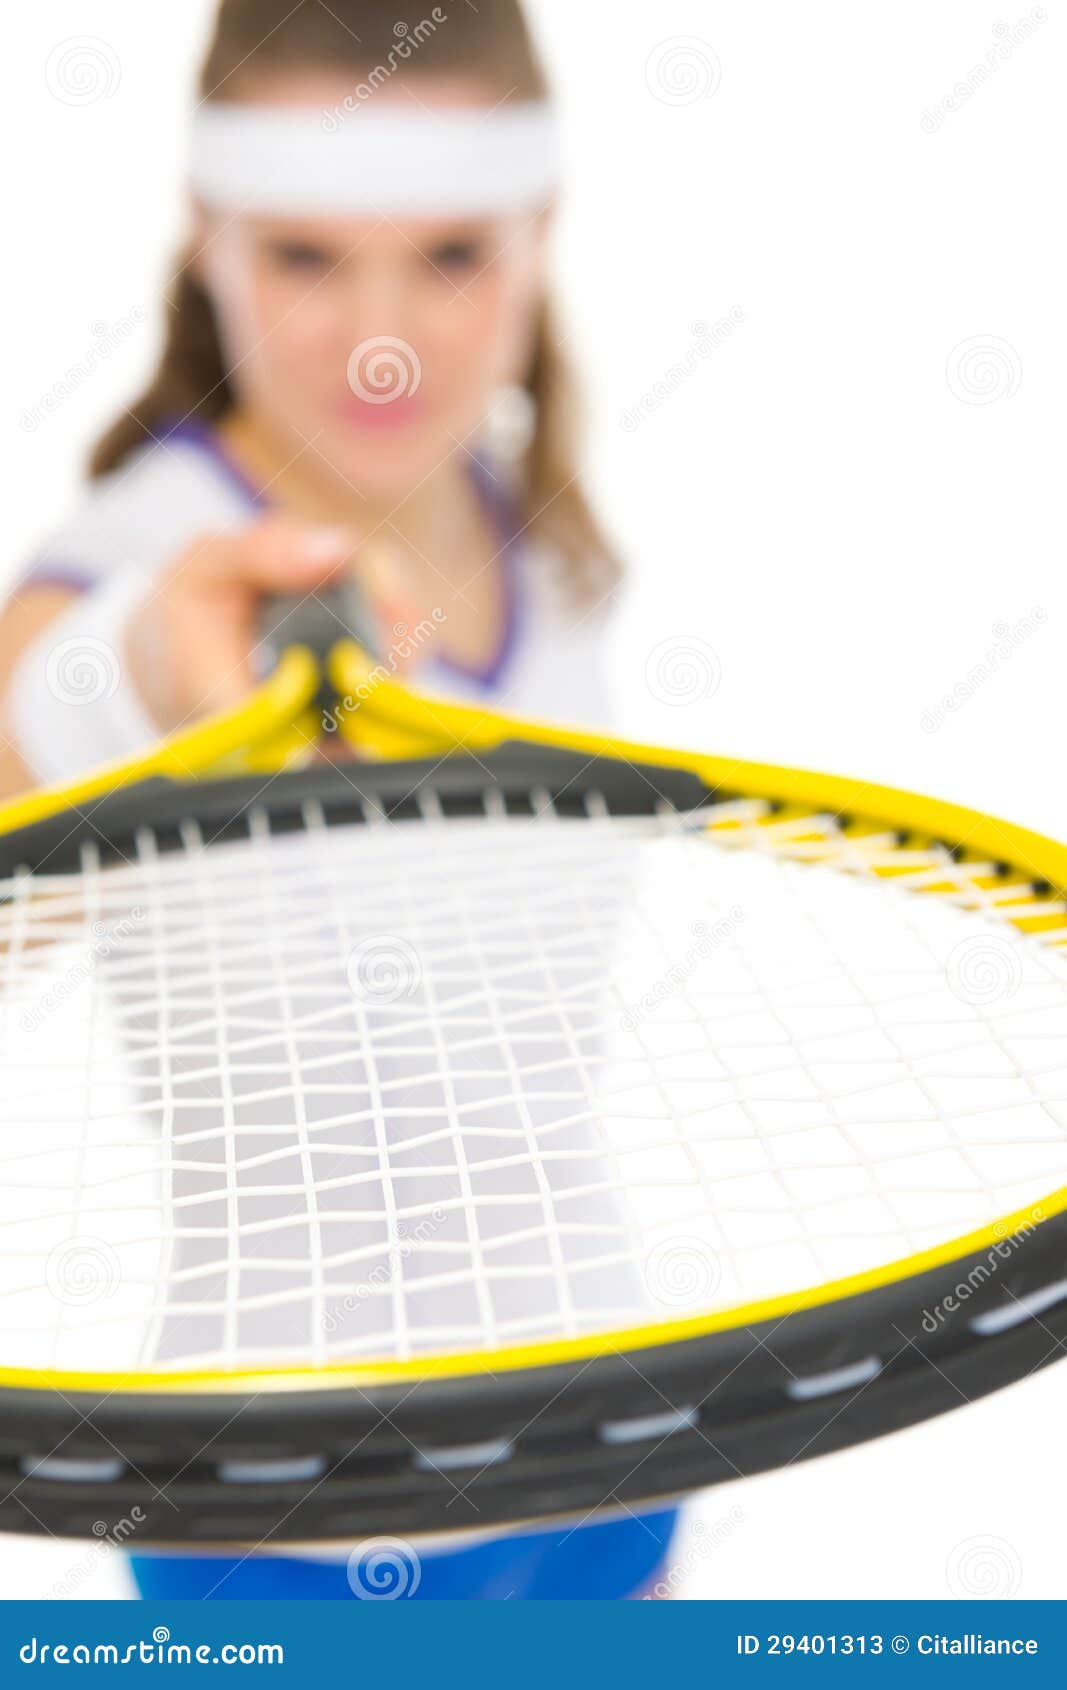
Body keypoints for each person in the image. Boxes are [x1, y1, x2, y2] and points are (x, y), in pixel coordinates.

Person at [0, 0, 681, 1599]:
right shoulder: (145, 548)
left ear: (542, 234)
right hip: (279, 1533)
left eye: (451, 255)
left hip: (614, 1464)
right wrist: (140, 683)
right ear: (204, 242)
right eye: (305, 258)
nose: (386, 338)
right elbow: (41, 709)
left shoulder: (546, 538)